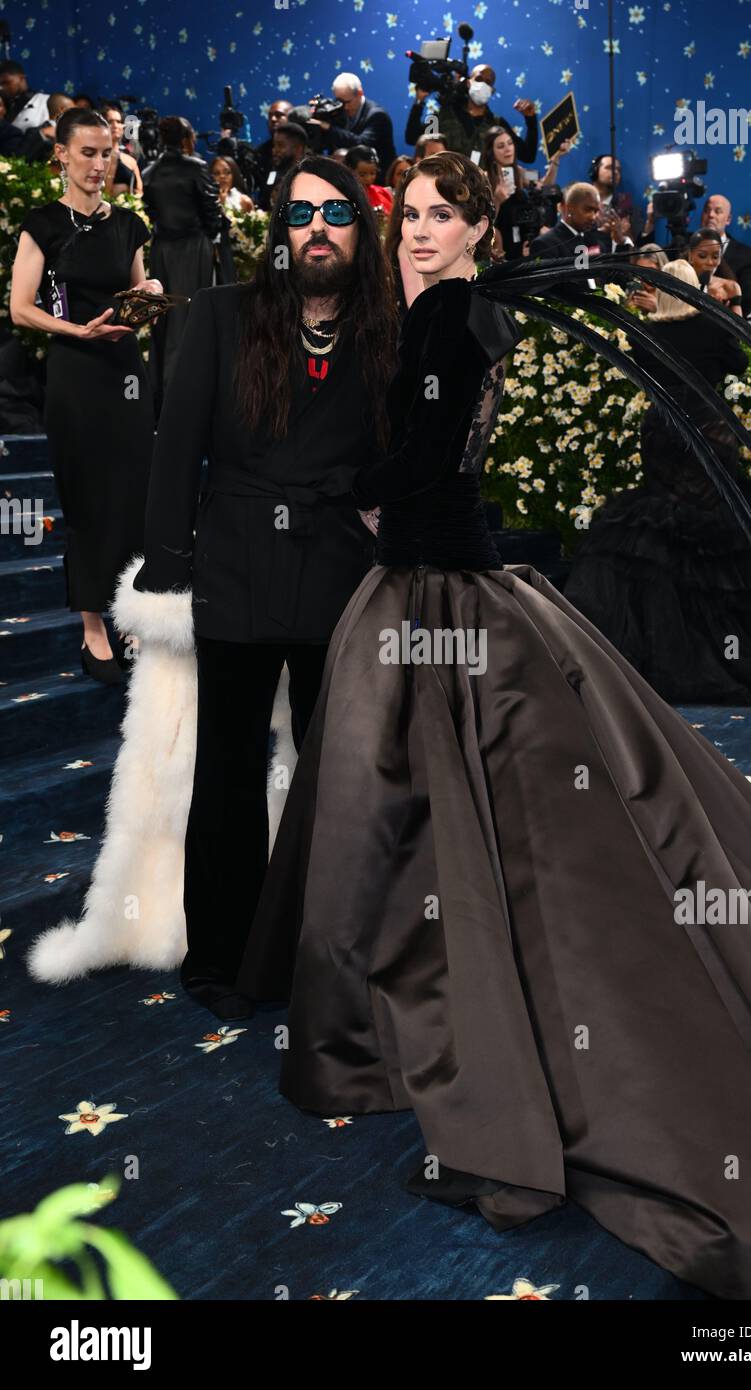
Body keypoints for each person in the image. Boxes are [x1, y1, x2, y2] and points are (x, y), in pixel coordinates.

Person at [235, 151, 751, 1303]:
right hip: (456, 581)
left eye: (440, 215)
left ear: (479, 225)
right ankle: (424, 1004)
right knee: (455, 816)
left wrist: (332, 482)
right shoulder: (467, 314)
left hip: (436, 591)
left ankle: (429, 1037)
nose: (416, 232)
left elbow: (423, 464)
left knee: (428, 815)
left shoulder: (444, 319)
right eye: (407, 215)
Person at [130, 155, 397, 1020]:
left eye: (336, 213)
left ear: (362, 228)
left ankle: (326, 952)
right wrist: (166, 575)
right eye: (300, 213)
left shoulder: (387, 331)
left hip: (339, 578)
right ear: (278, 231)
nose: (317, 228)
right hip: (237, 569)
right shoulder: (218, 314)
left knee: (338, 776)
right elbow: (176, 450)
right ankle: (224, 956)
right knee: (230, 775)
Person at [565, 258, 751, 702]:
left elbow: (638, 372)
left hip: (661, 431)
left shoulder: (644, 332)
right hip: (709, 428)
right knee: (715, 525)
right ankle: (722, 644)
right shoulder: (712, 327)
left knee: (666, 524)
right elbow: (742, 364)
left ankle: (667, 644)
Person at [9, 107, 157, 683]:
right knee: (88, 498)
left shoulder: (128, 226)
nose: (100, 165)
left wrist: (149, 298)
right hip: (75, 372)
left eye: (107, 152)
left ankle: (133, 615)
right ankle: (93, 625)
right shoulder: (43, 222)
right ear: (62, 155)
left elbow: (134, 293)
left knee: (134, 494)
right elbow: (21, 307)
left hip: (125, 369)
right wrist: (77, 331)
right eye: (88, 153)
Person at [142, 115, 223, 413]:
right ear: (187, 137)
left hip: (162, 248)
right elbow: (211, 210)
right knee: (185, 320)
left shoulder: (149, 172)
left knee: (162, 321)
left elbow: (149, 209)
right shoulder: (196, 169)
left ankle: (161, 397)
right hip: (191, 247)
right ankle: (182, 402)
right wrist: (213, 234)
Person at [406, 63, 538, 165]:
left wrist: (531, 120)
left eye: (488, 82)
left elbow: (527, 156)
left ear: (492, 90)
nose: (483, 84)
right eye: (479, 79)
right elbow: (412, 137)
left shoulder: (497, 125)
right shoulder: (441, 116)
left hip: (480, 193)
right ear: (468, 83)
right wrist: (419, 102)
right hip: (445, 191)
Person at [480, 126, 573, 260]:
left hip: (524, 241)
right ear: (491, 152)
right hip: (500, 245)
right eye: (501, 146)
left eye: (510, 143)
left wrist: (556, 159)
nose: (508, 149)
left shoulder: (521, 172)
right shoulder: (484, 178)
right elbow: (482, 221)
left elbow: (544, 186)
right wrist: (498, 200)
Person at [310, 73, 397, 179]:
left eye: (347, 102)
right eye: (339, 101)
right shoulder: (338, 111)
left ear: (360, 93)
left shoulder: (377, 115)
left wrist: (329, 128)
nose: (343, 107)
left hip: (375, 179)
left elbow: (362, 144)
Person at [529, 181, 631, 259]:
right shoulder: (545, 244)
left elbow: (612, 278)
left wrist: (620, 242)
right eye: (588, 210)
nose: (593, 217)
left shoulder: (596, 241)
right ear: (569, 208)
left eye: (596, 211)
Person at [699, 193, 751, 316]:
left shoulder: (746, 256)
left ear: (728, 219)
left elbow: (749, 300)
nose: (711, 215)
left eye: (718, 211)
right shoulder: (683, 246)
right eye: (707, 210)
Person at [684, 228, 743, 315]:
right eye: (702, 256)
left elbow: (739, 327)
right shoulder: (680, 283)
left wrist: (723, 314)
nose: (710, 262)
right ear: (690, 256)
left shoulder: (730, 288)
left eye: (715, 256)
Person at [253, 99, 294, 209]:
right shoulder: (261, 152)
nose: (273, 119)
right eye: (270, 116)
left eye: (279, 115)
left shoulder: (308, 154)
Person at [99, 102, 143, 195]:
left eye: (118, 122)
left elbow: (139, 192)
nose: (115, 126)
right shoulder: (93, 159)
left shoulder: (131, 161)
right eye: (110, 122)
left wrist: (126, 191)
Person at [589, 153, 634, 240]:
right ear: (595, 171)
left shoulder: (624, 203)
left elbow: (631, 244)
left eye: (618, 170)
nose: (616, 172)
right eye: (609, 168)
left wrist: (623, 234)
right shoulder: (581, 200)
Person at [0, 59, 50, 132]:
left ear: (21, 78)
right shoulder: (3, 106)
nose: (1, 88)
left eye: (6, 82)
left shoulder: (45, 101)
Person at [344, 144, 393, 217]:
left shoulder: (383, 192)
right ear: (349, 171)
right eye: (362, 174)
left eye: (372, 173)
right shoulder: (343, 196)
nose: (368, 179)